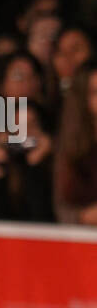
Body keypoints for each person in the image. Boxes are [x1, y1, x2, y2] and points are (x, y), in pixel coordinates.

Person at [54, 60, 97, 224]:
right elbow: (60, 207)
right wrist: (84, 217)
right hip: (79, 240)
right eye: (95, 92)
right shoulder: (69, 146)